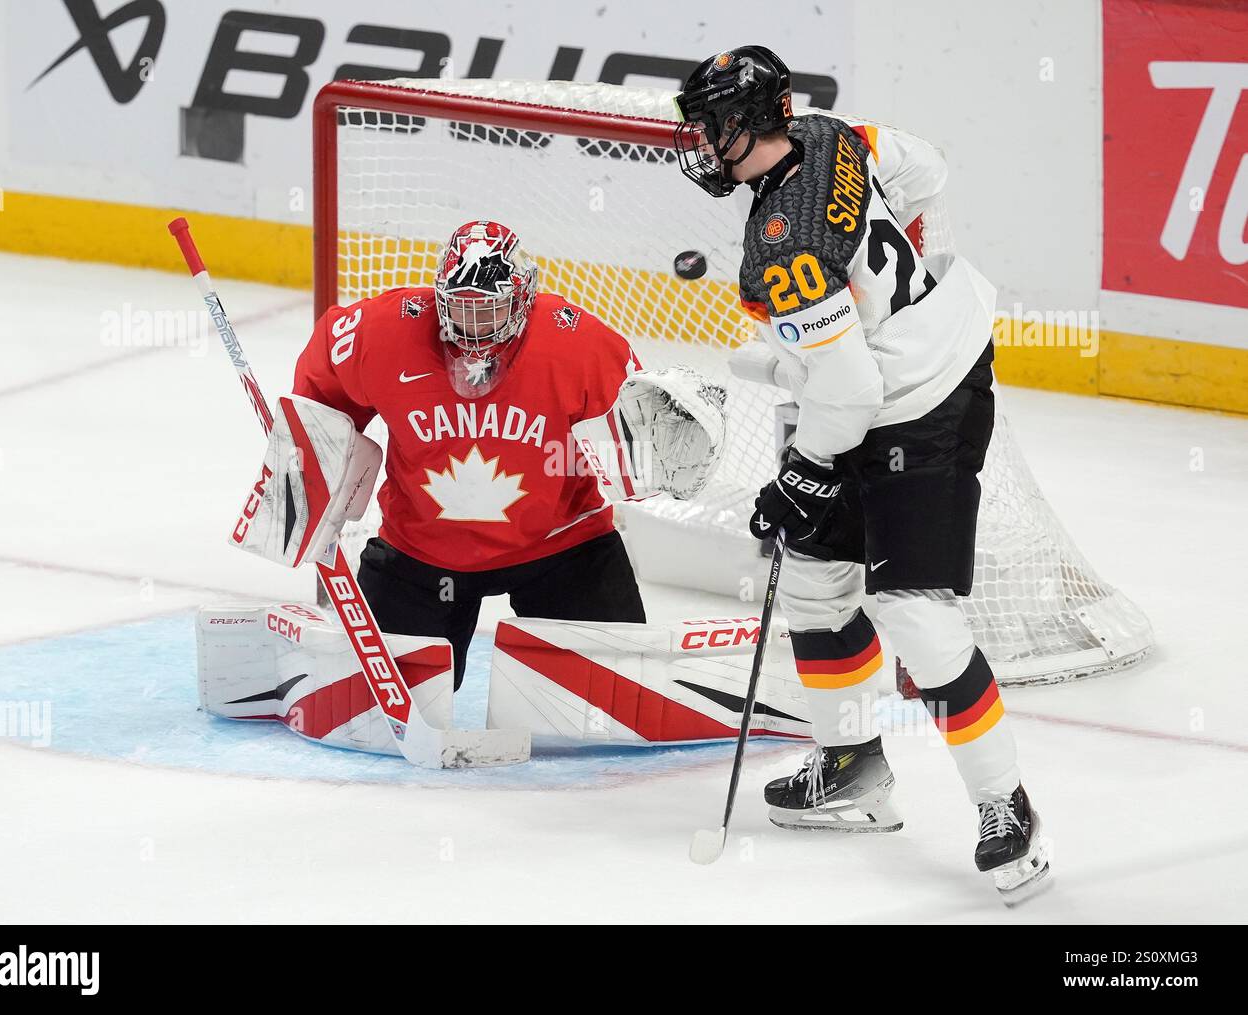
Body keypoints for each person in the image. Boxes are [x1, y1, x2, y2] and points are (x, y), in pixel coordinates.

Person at [672, 47, 1049, 903]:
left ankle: (1005, 804)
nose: (698, 142)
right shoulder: (829, 134)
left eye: (706, 125)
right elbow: (928, 169)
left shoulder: (783, 246)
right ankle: (849, 765)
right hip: (894, 371)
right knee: (814, 583)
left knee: (916, 614)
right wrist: (859, 307)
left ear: (741, 125)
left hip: (923, 401)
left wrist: (799, 477)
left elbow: (850, 388)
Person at [288, 219, 722, 689]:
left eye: (489, 310)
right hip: (422, 553)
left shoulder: (577, 343)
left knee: (613, 696)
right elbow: (321, 388)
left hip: (560, 548)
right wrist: (308, 455)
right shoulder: (383, 332)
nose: (474, 326)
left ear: (521, 300)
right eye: (461, 308)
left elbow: (635, 428)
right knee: (371, 702)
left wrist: (667, 444)